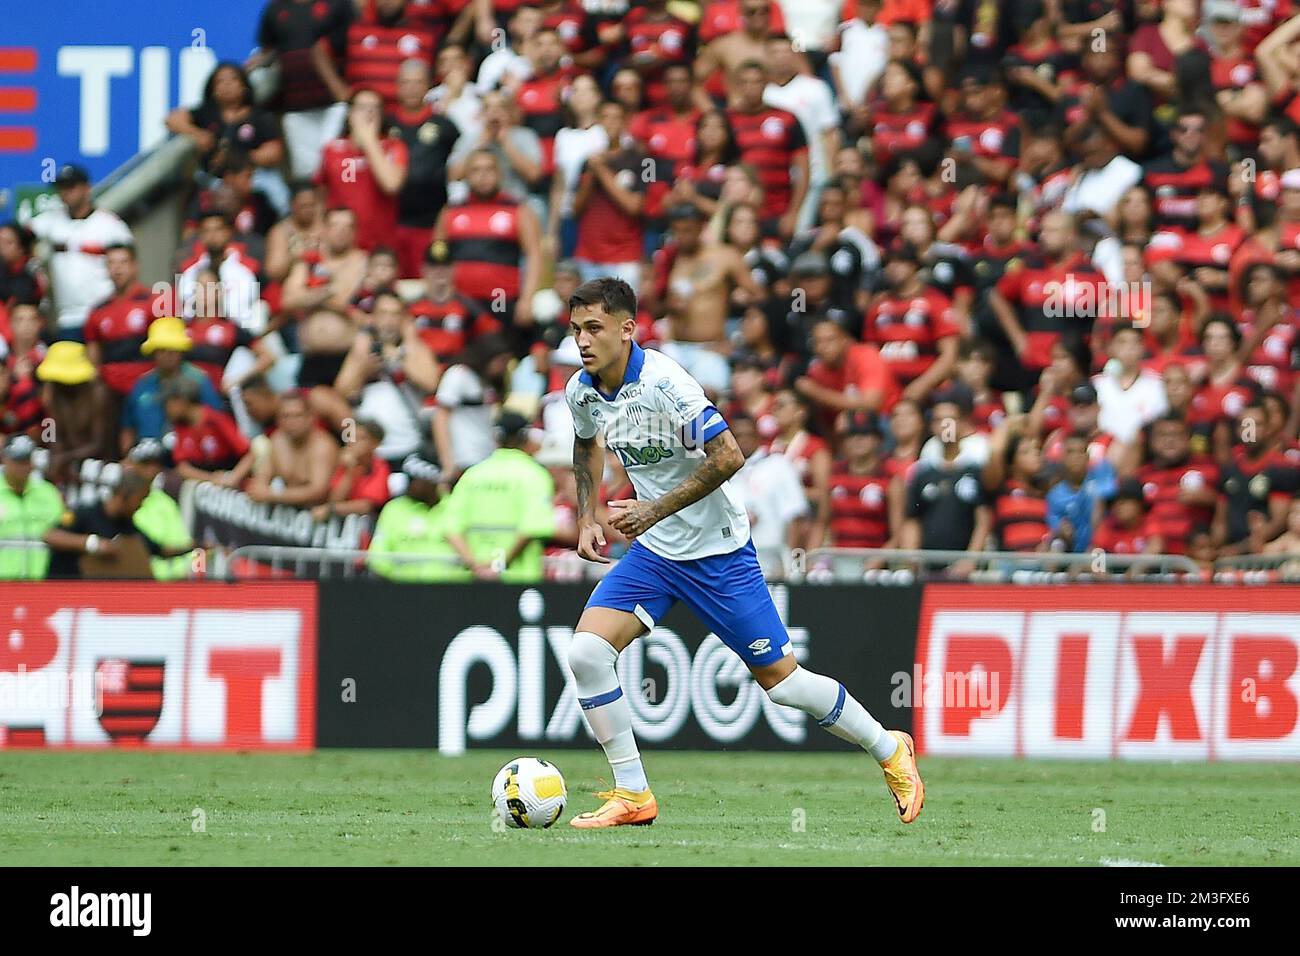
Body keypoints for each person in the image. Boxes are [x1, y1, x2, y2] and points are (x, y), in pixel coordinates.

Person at [561, 277, 923, 828]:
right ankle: (633, 793)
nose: (583, 342)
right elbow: (586, 442)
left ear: (627, 329)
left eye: (594, 329)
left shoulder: (664, 384)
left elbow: (730, 455)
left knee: (784, 685)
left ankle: (889, 748)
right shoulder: (582, 390)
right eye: (575, 330)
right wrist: (587, 514)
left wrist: (652, 510)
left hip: (717, 553)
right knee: (587, 654)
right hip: (656, 555)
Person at [443, 410, 556, 582]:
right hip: (518, 578)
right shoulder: (535, 475)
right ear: (526, 437)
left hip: (472, 579)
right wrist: (498, 566)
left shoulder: (472, 475)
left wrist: (475, 566)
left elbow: (450, 527)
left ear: (496, 438)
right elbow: (534, 526)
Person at [27, 164, 134, 339]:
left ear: (86, 188)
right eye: (61, 188)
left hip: (103, 313)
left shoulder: (109, 224)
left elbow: (130, 266)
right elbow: (21, 233)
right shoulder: (52, 220)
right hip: (67, 318)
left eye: (71, 187)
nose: (65, 193)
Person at [43, 471, 190, 579]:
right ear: (124, 495)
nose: (141, 506)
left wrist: (196, 546)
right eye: (140, 500)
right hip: (63, 590)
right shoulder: (84, 512)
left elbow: (160, 551)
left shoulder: (126, 526)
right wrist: (93, 544)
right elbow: (50, 536)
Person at [120, 318, 224, 450]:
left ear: (182, 351)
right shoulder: (142, 384)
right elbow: (128, 427)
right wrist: (128, 455)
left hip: (189, 456)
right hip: (147, 458)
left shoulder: (199, 380)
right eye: (162, 350)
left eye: (173, 350)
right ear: (153, 352)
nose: (168, 355)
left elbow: (216, 422)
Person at [727, 411, 809, 575]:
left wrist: (790, 565)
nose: (744, 440)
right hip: (735, 564)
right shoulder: (722, 473)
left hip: (774, 563)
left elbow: (796, 516)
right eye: (738, 435)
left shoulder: (778, 465)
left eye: (749, 434)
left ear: (758, 435)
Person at [369, 452, 469, 581]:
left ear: (431, 482)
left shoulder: (457, 506)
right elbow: (379, 558)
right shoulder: (393, 509)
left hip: (453, 592)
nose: (407, 485)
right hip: (404, 592)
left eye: (413, 479)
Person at [35, 342, 116, 484]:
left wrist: (65, 458)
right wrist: (56, 453)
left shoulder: (98, 394)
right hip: (65, 463)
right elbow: (51, 430)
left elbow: (100, 443)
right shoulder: (53, 394)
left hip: (97, 466)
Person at [246, 390, 339, 508]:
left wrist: (272, 495)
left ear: (311, 417)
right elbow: (263, 475)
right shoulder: (278, 440)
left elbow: (319, 492)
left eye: (297, 415)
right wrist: (259, 487)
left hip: (323, 516)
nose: (291, 422)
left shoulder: (322, 446)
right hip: (290, 516)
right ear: (278, 419)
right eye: (286, 416)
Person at [123, 438, 196, 580]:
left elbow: (179, 545)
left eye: (155, 464)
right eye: (144, 463)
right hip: (125, 580)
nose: (151, 470)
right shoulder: (120, 499)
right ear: (130, 464)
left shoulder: (165, 502)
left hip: (162, 585)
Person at [163, 376, 255, 486]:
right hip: (208, 484)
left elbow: (249, 455)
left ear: (181, 401)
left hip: (232, 482)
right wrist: (211, 479)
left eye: (167, 404)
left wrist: (233, 478)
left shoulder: (216, 420)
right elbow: (182, 468)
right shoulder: (181, 427)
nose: (166, 410)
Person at [0, 435, 65, 580]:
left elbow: (61, 530)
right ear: (5, 459)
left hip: (40, 585)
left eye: (27, 460)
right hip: (2, 584)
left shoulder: (48, 492)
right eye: (18, 461)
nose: (23, 467)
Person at [312, 418, 392, 522]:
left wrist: (331, 509)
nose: (353, 442)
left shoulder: (380, 467)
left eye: (361, 438)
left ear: (375, 444)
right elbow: (334, 500)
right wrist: (349, 473)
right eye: (351, 436)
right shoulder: (343, 465)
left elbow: (367, 506)